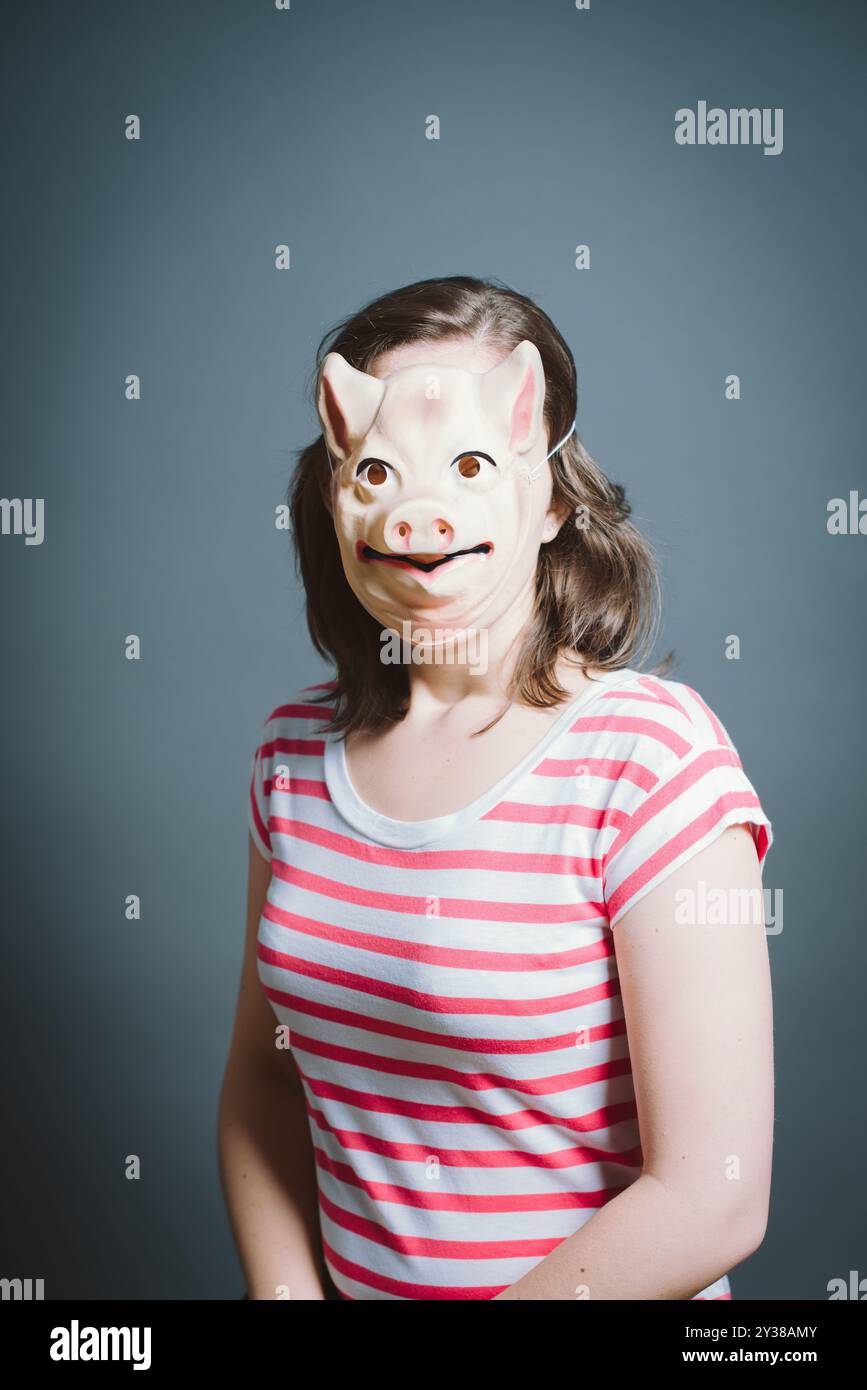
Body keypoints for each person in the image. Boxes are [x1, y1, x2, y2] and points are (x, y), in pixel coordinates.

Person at [218, 275, 774, 1301]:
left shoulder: (650, 758)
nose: (420, 513)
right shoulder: (291, 752)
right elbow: (264, 1075)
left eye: (472, 463)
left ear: (556, 496)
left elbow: (714, 1194)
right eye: (377, 470)